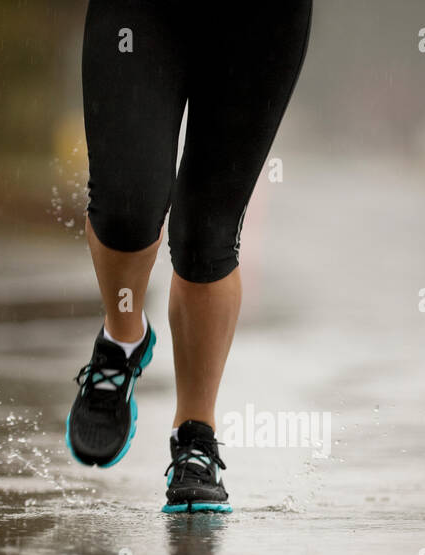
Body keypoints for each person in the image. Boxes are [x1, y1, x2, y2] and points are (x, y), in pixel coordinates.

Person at [65, 0, 313, 513]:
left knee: (206, 234)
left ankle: (194, 437)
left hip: (263, 20)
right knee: (126, 207)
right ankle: (121, 339)